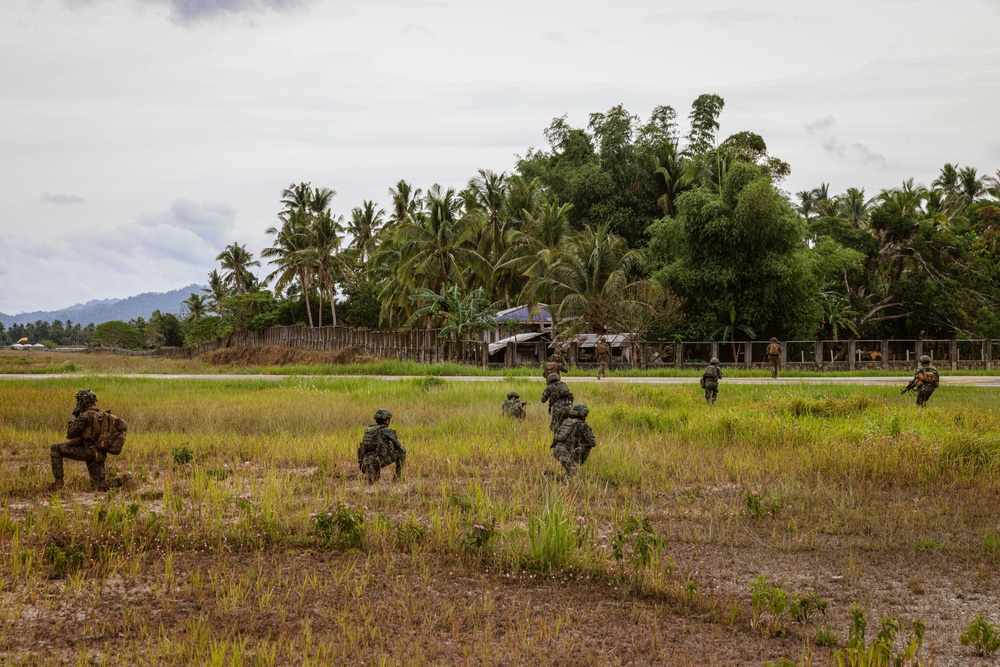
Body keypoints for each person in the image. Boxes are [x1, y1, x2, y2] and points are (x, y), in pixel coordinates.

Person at [49, 389, 135, 492]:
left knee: (55, 448)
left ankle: (58, 483)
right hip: (99, 453)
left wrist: (76, 418)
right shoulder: (101, 415)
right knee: (98, 485)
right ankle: (123, 480)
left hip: (88, 452)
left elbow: (70, 433)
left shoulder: (85, 416)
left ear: (82, 402)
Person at [548, 404, 597, 480]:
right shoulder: (582, 425)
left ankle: (550, 475)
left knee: (573, 473)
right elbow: (593, 442)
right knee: (574, 477)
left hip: (557, 451)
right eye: (585, 415)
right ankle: (549, 475)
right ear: (583, 415)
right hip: (566, 454)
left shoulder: (567, 422)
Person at [357, 408, 406, 484]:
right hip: (378, 460)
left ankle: (371, 472)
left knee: (372, 481)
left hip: (364, 462)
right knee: (402, 451)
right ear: (386, 420)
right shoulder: (387, 431)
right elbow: (398, 446)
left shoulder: (368, 430)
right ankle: (398, 479)